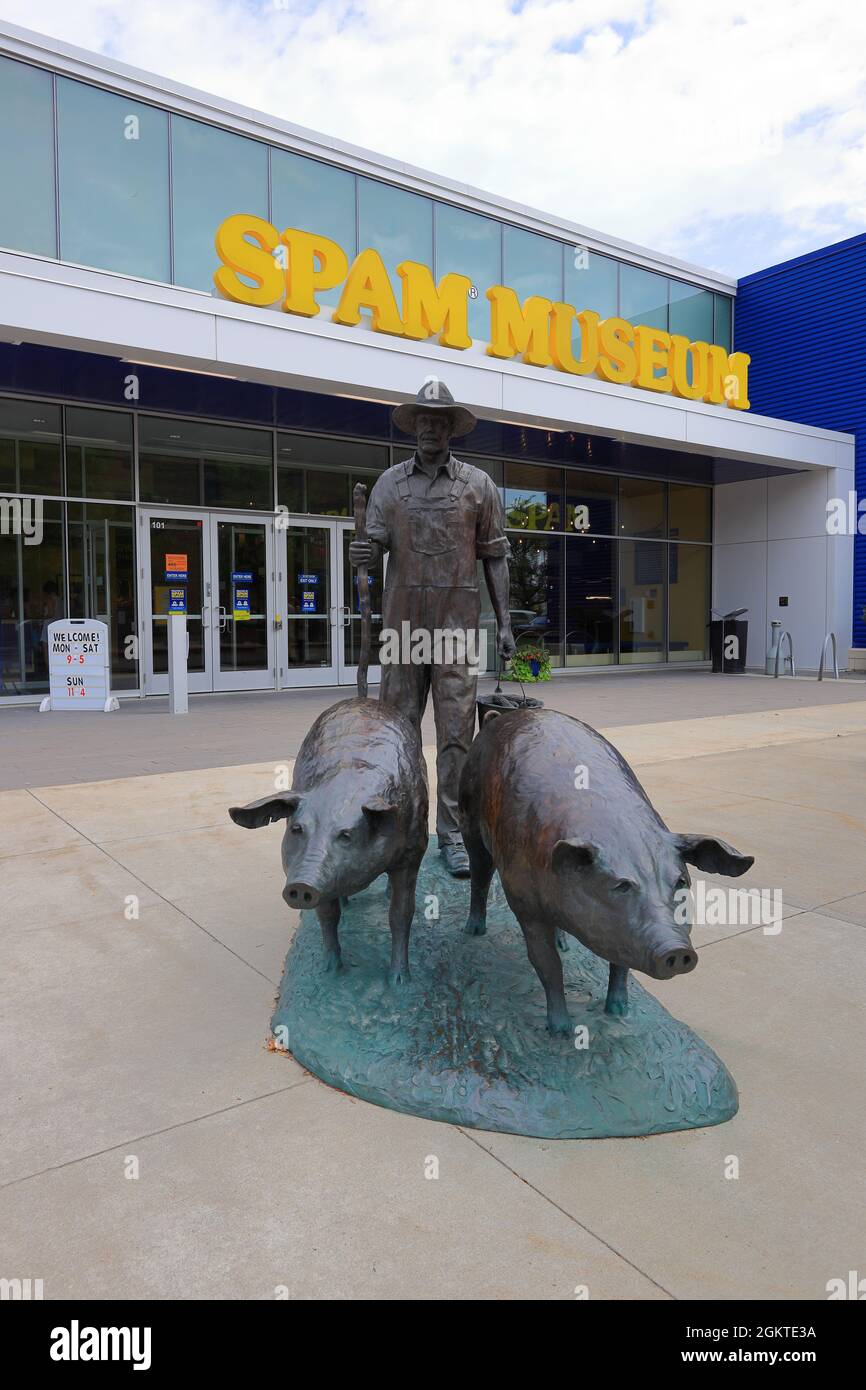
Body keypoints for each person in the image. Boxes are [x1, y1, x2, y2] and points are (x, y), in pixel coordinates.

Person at [350, 380, 515, 877]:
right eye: (422, 420)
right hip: (402, 631)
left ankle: (453, 832)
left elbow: (497, 557)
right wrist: (364, 552)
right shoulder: (388, 484)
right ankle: (397, 825)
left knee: (457, 737)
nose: (429, 428)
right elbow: (374, 546)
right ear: (414, 426)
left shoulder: (478, 486)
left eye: (437, 421)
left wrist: (505, 625)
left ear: (449, 429)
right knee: (395, 733)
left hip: (456, 631)